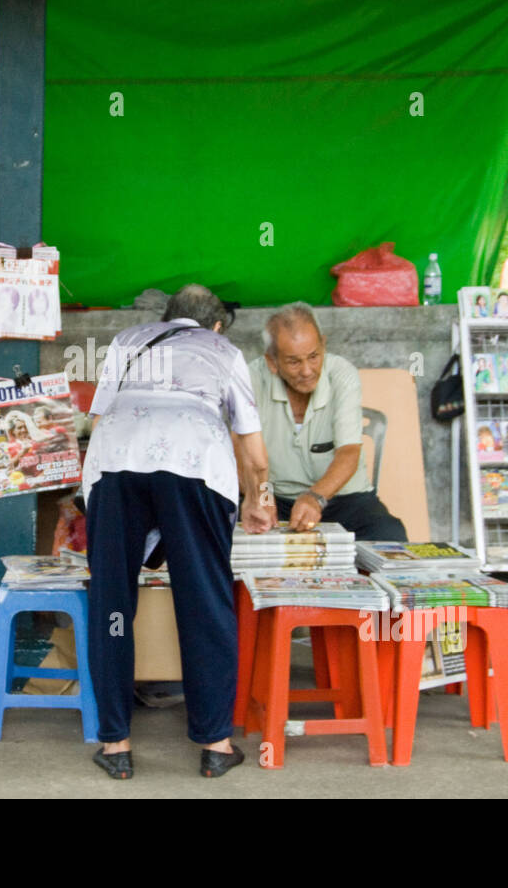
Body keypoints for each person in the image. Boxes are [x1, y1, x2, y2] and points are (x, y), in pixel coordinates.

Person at [83, 284, 274, 781]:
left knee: (112, 604)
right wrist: (260, 501)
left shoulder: (128, 340)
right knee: (204, 599)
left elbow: (100, 417)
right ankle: (215, 744)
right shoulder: (224, 350)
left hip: (116, 464)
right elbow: (252, 449)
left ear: (167, 318)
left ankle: (115, 744)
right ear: (215, 325)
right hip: (194, 466)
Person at [248, 303, 407, 540]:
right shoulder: (251, 377)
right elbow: (239, 449)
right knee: (225, 532)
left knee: (389, 534)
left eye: (314, 356)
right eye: (293, 362)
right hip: (274, 496)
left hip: (340, 498)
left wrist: (315, 497)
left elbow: (348, 452)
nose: (307, 371)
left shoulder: (342, 374)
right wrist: (260, 495)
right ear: (272, 361)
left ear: (323, 344)